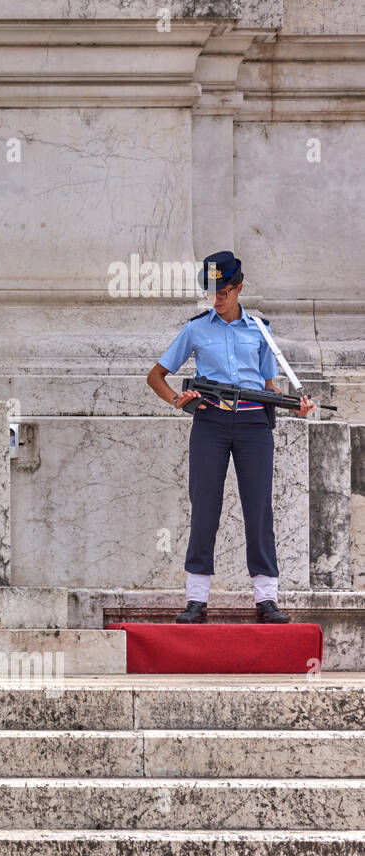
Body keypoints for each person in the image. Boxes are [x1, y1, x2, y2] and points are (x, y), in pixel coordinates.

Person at [146, 251, 316, 625]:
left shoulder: (260, 330)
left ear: (240, 288)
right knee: (205, 509)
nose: (217, 297)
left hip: (254, 425)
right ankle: (196, 600)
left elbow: (268, 385)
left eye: (224, 290)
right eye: (212, 291)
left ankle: (266, 599)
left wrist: (295, 405)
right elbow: (156, 375)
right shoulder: (195, 329)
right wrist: (178, 400)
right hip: (210, 423)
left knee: (258, 511)